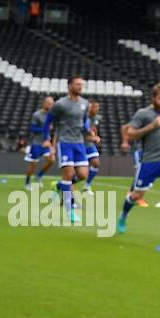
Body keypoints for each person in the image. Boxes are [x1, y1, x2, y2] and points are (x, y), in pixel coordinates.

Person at [117, 83, 160, 243]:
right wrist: (150, 127)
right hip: (149, 161)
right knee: (136, 195)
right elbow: (130, 133)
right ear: (154, 98)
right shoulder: (143, 114)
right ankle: (123, 216)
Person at [46, 76, 91, 225]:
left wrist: (89, 132)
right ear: (69, 86)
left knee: (83, 175)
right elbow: (48, 120)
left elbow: (84, 122)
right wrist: (47, 138)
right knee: (68, 174)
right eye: (77, 84)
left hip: (79, 143)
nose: (80, 87)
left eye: (81, 85)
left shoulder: (85, 103)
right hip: (64, 142)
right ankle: (69, 210)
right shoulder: (61, 104)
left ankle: (59, 186)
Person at [23, 96, 54, 189]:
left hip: (46, 142)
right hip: (36, 143)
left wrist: (49, 140)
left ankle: (39, 176)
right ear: (44, 103)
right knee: (33, 165)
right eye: (49, 103)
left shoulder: (51, 115)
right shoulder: (37, 115)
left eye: (52, 104)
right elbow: (32, 128)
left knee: (51, 160)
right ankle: (27, 183)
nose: (50, 105)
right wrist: (44, 129)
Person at [83, 100, 103, 193]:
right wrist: (93, 138)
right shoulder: (83, 117)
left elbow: (94, 128)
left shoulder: (96, 118)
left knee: (96, 163)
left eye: (98, 107)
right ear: (89, 107)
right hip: (80, 144)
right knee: (78, 173)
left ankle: (87, 185)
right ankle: (60, 185)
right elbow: (82, 133)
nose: (97, 109)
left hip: (89, 144)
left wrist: (96, 136)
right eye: (95, 107)